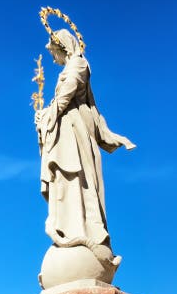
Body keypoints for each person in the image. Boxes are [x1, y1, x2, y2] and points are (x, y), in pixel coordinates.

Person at [35, 29, 134, 267]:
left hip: (75, 134)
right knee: (65, 181)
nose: (53, 58)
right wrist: (46, 116)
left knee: (80, 180)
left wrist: (48, 115)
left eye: (54, 53)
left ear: (63, 47)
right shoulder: (70, 68)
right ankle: (68, 230)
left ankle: (88, 232)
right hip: (65, 134)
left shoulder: (78, 65)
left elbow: (67, 94)